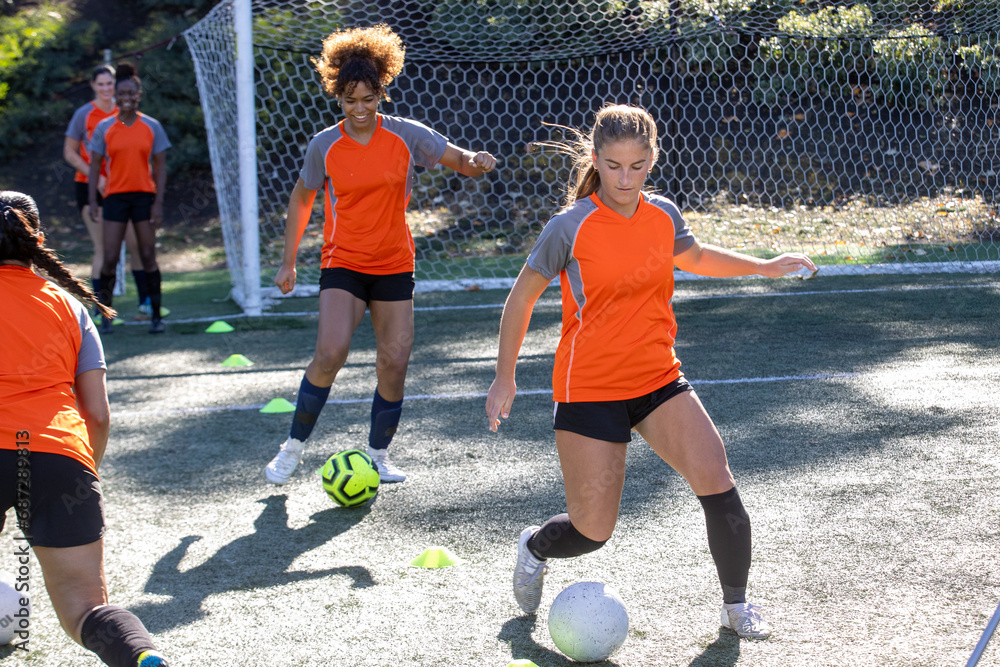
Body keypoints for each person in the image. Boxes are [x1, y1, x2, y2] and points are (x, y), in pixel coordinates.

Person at [485, 104, 816, 639]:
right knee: (593, 532)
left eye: (637, 165)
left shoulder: (662, 214)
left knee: (717, 478)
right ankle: (536, 545)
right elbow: (520, 301)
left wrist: (764, 264)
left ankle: (737, 607)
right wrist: (506, 376)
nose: (624, 177)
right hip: (588, 390)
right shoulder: (568, 227)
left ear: (652, 160)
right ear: (596, 159)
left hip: (659, 380)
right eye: (613, 165)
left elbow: (697, 254)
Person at [264, 23, 497, 486]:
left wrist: (479, 161)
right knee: (330, 352)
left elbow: (460, 161)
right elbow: (301, 198)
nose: (359, 109)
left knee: (395, 360)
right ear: (337, 97)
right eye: (350, 100)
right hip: (343, 262)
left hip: (393, 263)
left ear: (381, 93)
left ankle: (378, 455)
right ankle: (292, 449)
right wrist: (288, 261)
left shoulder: (407, 135)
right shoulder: (324, 145)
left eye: (368, 99)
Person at [0, 191, 170, 667]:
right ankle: (140, 656)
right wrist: (81, 474)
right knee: (86, 610)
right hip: (60, 456)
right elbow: (96, 413)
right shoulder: (69, 306)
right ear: (37, 237)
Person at [88, 62, 171, 335]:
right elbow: (94, 165)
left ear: (138, 95)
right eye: (120, 94)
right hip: (115, 198)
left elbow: (160, 167)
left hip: (144, 198)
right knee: (110, 257)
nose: (125, 98)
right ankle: (106, 315)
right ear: (115, 96)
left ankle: (156, 316)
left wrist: (158, 203)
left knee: (148, 254)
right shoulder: (104, 127)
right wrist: (93, 200)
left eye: (130, 94)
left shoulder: (152, 126)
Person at [64, 64, 149, 319]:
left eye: (109, 84)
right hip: (91, 187)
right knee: (103, 248)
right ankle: (102, 309)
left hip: (124, 187)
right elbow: (69, 152)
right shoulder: (84, 115)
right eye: (100, 84)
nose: (105, 89)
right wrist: (95, 176)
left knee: (136, 244)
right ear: (93, 86)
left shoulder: (126, 111)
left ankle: (146, 303)